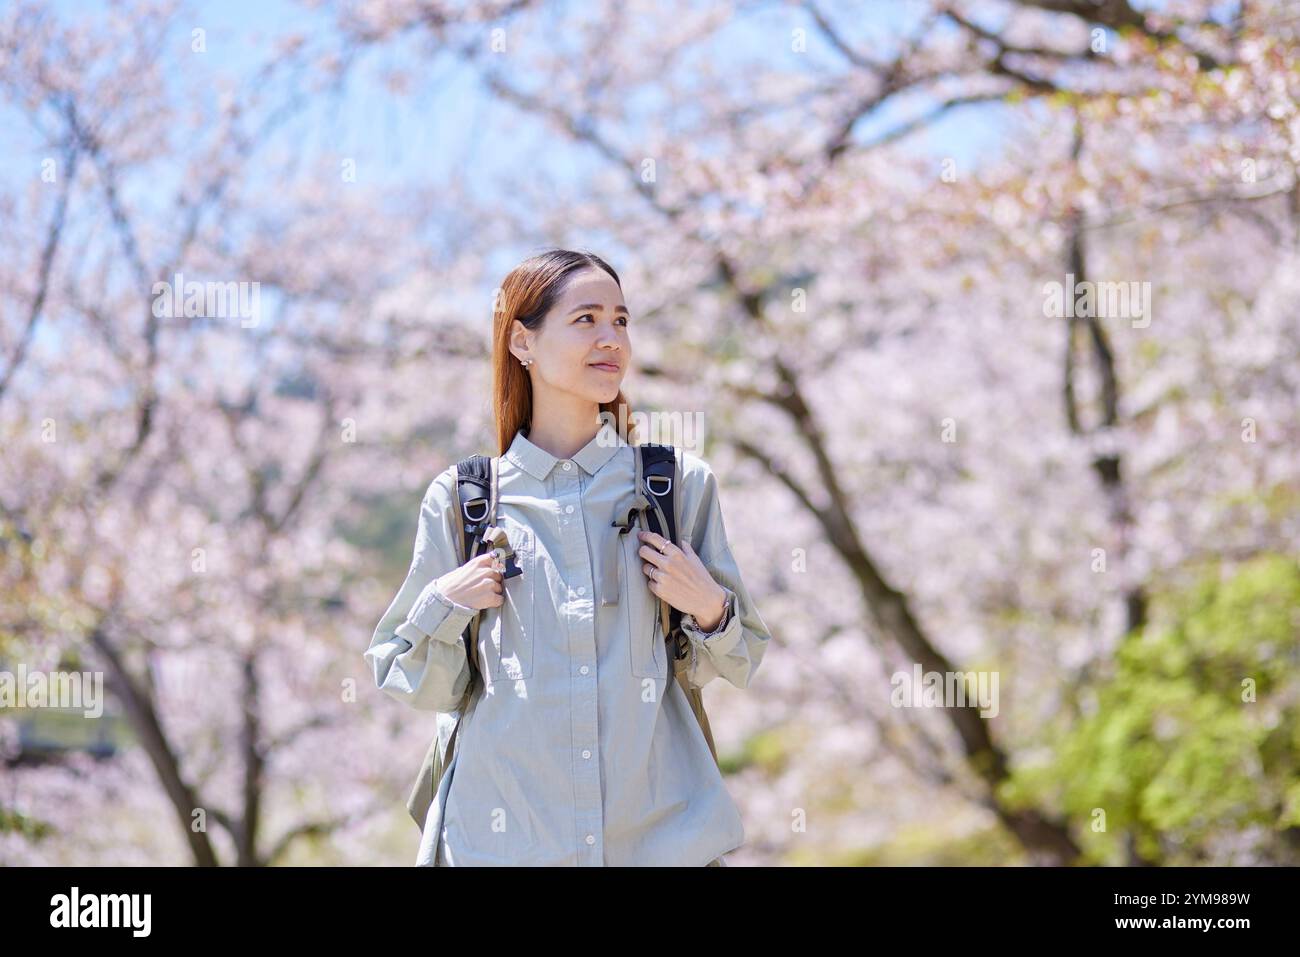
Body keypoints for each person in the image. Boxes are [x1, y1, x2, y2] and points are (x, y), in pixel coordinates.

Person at [364, 248, 772, 865]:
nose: (611, 339)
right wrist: (445, 604)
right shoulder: (462, 501)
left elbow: (741, 661)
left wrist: (710, 607)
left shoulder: (676, 486)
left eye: (622, 320)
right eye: (586, 319)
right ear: (523, 343)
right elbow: (421, 683)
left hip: (655, 844)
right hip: (498, 845)